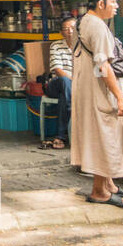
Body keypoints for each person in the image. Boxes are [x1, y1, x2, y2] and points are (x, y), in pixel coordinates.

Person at [70, 0, 123, 207]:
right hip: (99, 90)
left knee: (102, 134)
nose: (117, 6)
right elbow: (103, 65)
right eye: (114, 2)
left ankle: (109, 185)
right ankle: (99, 191)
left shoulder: (82, 22)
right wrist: (120, 97)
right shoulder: (97, 27)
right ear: (101, 4)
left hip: (86, 87)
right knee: (104, 136)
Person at [41, 16, 76, 150]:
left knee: (64, 97)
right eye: (66, 29)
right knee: (64, 81)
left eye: (73, 28)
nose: (70, 32)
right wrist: (75, 83)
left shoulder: (84, 47)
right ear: (61, 32)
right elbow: (58, 70)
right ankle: (71, 109)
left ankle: (60, 136)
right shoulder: (56, 46)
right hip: (56, 84)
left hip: (70, 89)